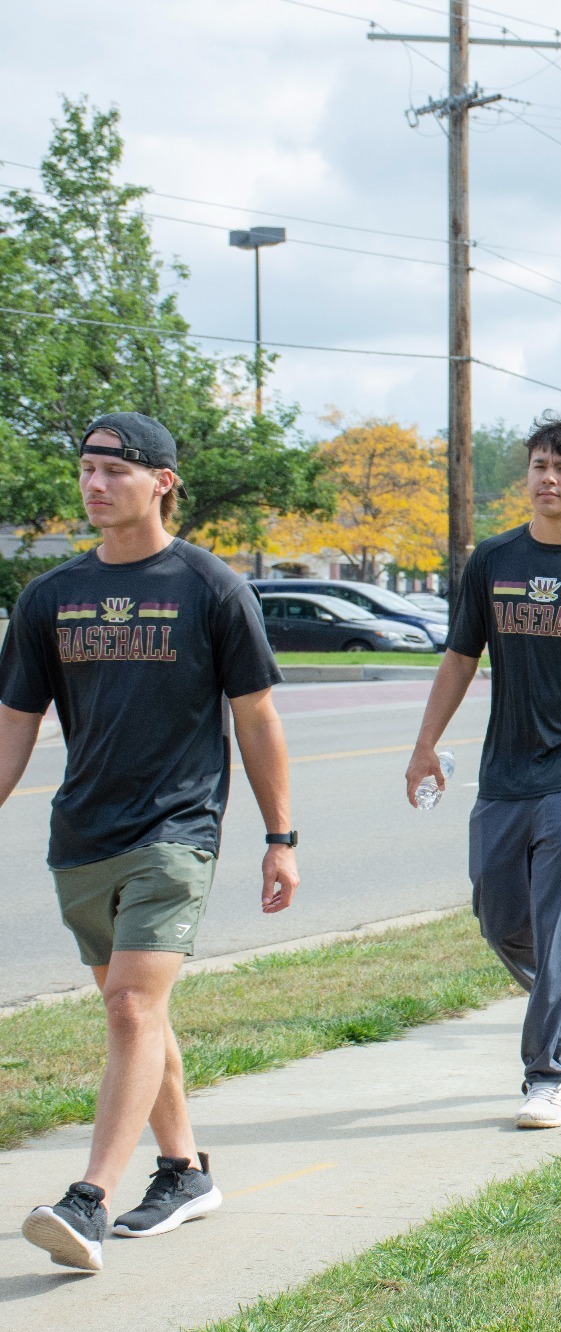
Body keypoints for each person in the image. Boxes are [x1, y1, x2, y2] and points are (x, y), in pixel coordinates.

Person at [1, 413, 298, 1273]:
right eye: (86, 469)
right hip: (83, 834)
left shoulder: (210, 586)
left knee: (132, 1004)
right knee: (138, 1010)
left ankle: (86, 1199)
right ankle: (184, 1170)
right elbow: (15, 724)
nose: (95, 484)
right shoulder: (49, 597)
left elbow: (257, 718)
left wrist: (281, 836)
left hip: (176, 829)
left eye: (115, 469)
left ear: (163, 480)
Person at [407, 414, 561, 1132]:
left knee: (556, 924)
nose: (548, 479)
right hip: (505, 772)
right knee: (498, 914)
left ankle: (546, 1075)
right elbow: (460, 658)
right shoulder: (492, 561)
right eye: (539, 465)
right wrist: (426, 743)